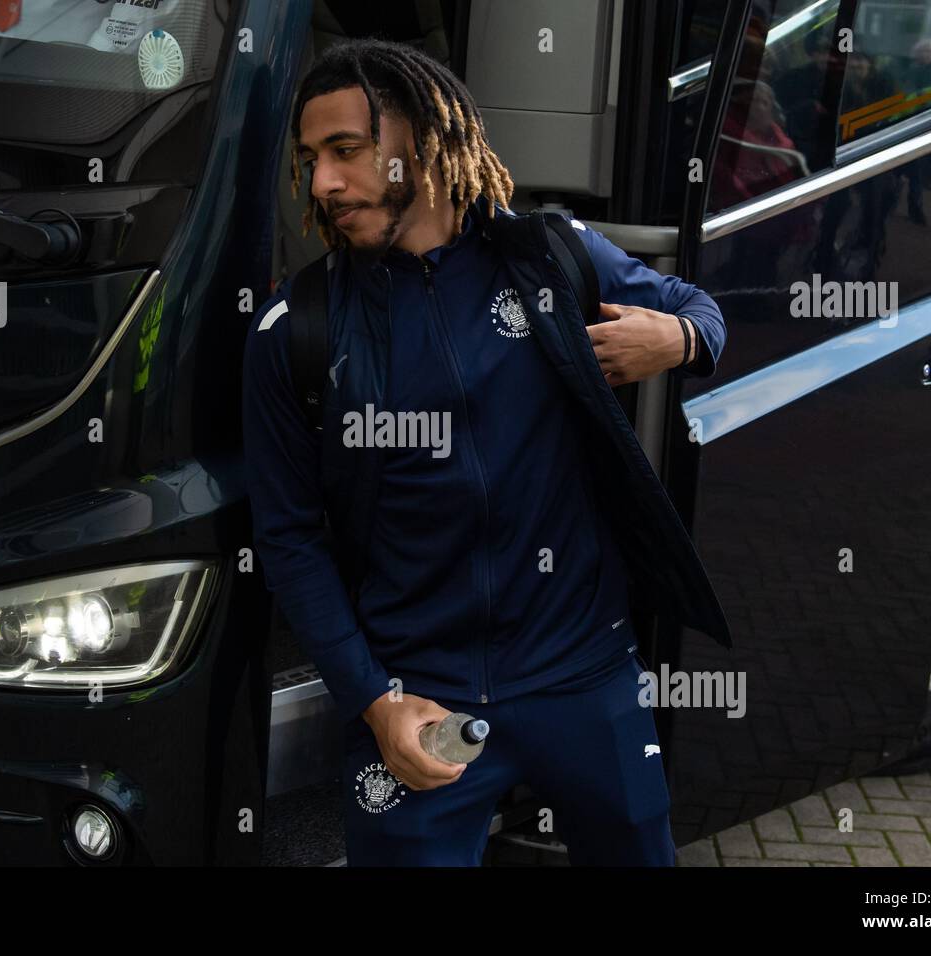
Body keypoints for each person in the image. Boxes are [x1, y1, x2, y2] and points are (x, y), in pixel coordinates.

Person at [242, 38, 729, 866]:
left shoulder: (550, 256)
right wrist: (373, 700)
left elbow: (701, 310)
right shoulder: (297, 332)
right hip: (419, 700)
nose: (323, 183)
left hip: (582, 676)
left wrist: (675, 338)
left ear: (424, 142)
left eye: (347, 152)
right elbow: (289, 540)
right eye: (311, 159)